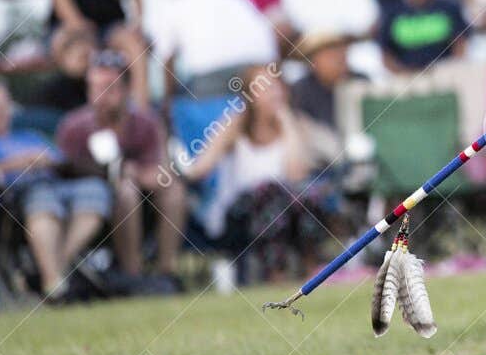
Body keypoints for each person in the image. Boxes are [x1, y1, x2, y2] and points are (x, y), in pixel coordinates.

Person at [0, 82, 111, 302]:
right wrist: (11, 165)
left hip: (54, 189)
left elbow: (64, 165)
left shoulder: (29, 137)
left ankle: (51, 269)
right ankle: (54, 285)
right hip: (2, 209)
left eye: (2, 105)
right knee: (42, 196)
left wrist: (47, 162)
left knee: (95, 191)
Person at [182, 65, 325, 280]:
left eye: (277, 87)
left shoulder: (293, 125)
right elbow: (201, 167)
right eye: (265, 88)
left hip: (284, 209)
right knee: (270, 193)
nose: (273, 94)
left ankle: (312, 269)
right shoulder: (235, 124)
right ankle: (276, 275)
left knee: (306, 195)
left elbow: (297, 175)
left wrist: (286, 122)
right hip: (239, 213)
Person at [57, 50, 182, 292]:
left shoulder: (146, 123)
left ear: (125, 90)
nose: (101, 96)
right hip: (93, 205)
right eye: (95, 88)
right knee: (125, 189)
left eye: (109, 88)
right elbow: (63, 172)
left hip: (144, 203)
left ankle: (167, 271)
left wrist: (141, 173)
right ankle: (131, 273)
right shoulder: (74, 127)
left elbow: (159, 168)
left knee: (172, 188)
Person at [289, 30, 365, 130]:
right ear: (313, 63)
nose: (340, 59)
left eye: (342, 52)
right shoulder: (300, 92)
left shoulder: (361, 82)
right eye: (331, 56)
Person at [32, 24, 95, 116]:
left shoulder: (95, 85)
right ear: (63, 58)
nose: (88, 63)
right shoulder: (51, 91)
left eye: (90, 57)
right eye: (83, 58)